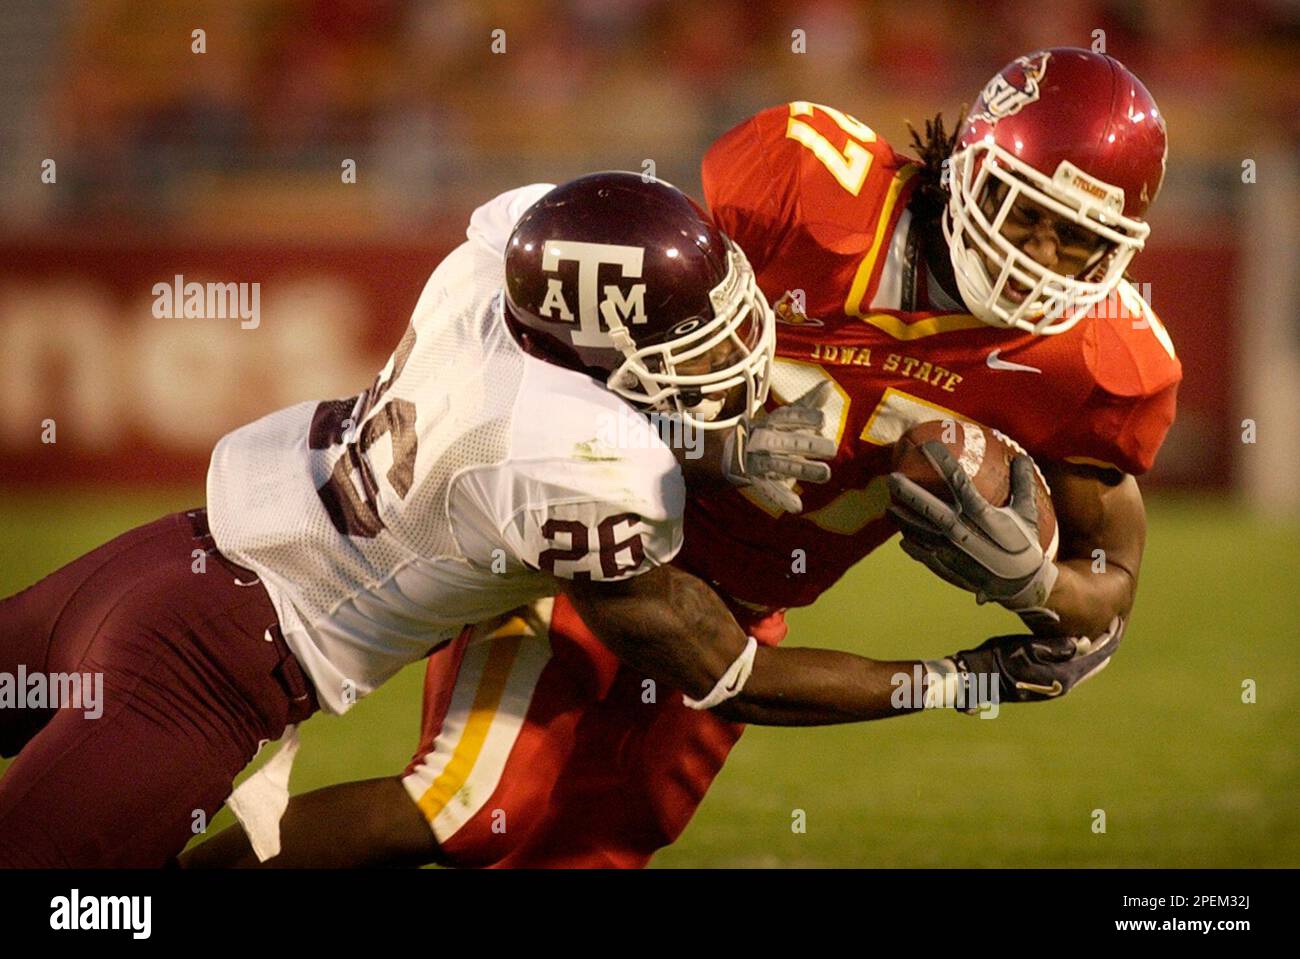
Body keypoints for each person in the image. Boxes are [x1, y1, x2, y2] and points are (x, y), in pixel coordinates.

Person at [183, 48, 1179, 869]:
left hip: (745, 602)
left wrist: (1041, 581)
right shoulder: (807, 188)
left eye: (1079, 242)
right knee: (471, 808)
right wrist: (707, 442)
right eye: (1029, 214)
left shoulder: (1099, 359)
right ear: (967, 162)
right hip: (587, 538)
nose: (1042, 258)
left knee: (596, 847)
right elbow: (602, 328)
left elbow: (1110, 576)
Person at [0, 172, 841, 867]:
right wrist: (948, 678)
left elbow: (545, 267)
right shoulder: (579, 455)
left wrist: (705, 443)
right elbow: (725, 669)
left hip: (158, 559)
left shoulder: (480, 279)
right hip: (211, 671)